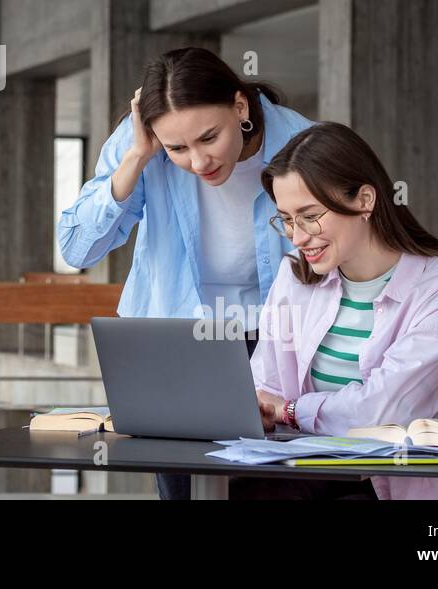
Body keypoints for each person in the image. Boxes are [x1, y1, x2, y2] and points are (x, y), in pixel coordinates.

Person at [57, 47, 314, 499]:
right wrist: (137, 157)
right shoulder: (140, 142)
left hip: (278, 335)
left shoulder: (304, 143)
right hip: (174, 335)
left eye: (209, 138)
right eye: (177, 148)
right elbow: (78, 248)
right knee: (182, 490)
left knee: (274, 486)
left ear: (239, 106)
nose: (199, 162)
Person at [243, 122, 438, 500]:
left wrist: (291, 410)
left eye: (309, 215)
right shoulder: (295, 273)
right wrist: (258, 406)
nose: (297, 236)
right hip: (309, 470)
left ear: (364, 200)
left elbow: (386, 411)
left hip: (396, 480)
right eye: (287, 220)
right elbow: (267, 383)